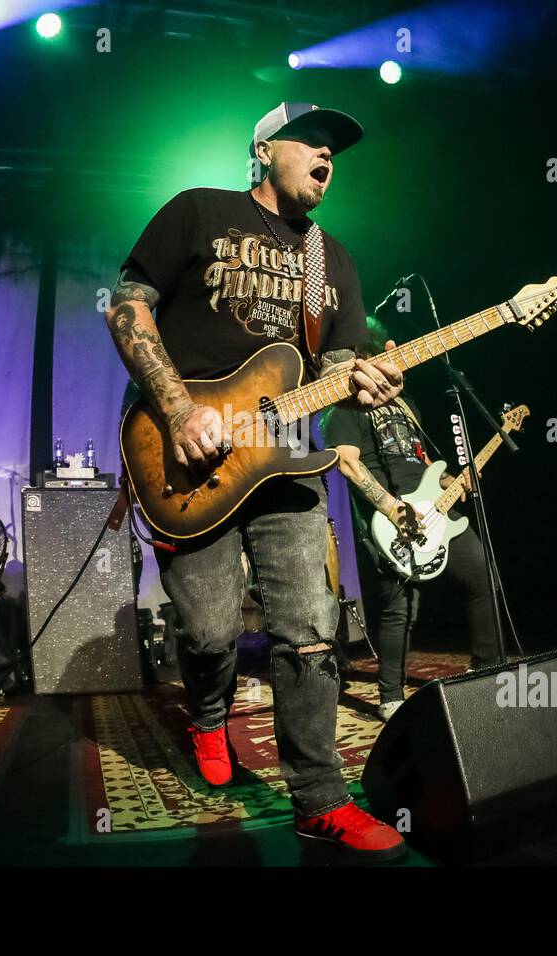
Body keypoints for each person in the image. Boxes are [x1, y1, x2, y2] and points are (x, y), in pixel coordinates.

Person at [105, 102, 407, 860]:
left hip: (288, 459)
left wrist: (364, 378)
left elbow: (336, 359)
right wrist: (178, 411)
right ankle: (209, 712)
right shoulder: (199, 210)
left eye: (336, 148)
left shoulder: (330, 259)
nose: (328, 154)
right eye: (314, 141)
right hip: (191, 451)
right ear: (265, 149)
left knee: (311, 626)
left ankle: (321, 799)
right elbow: (128, 305)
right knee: (207, 630)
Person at [323, 317, 502, 721]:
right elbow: (349, 465)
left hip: (437, 507)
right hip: (390, 516)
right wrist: (390, 507)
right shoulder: (346, 405)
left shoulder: (407, 405)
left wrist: (452, 480)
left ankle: (488, 668)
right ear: (365, 355)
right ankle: (390, 695)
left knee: (480, 575)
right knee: (397, 607)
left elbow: (424, 462)